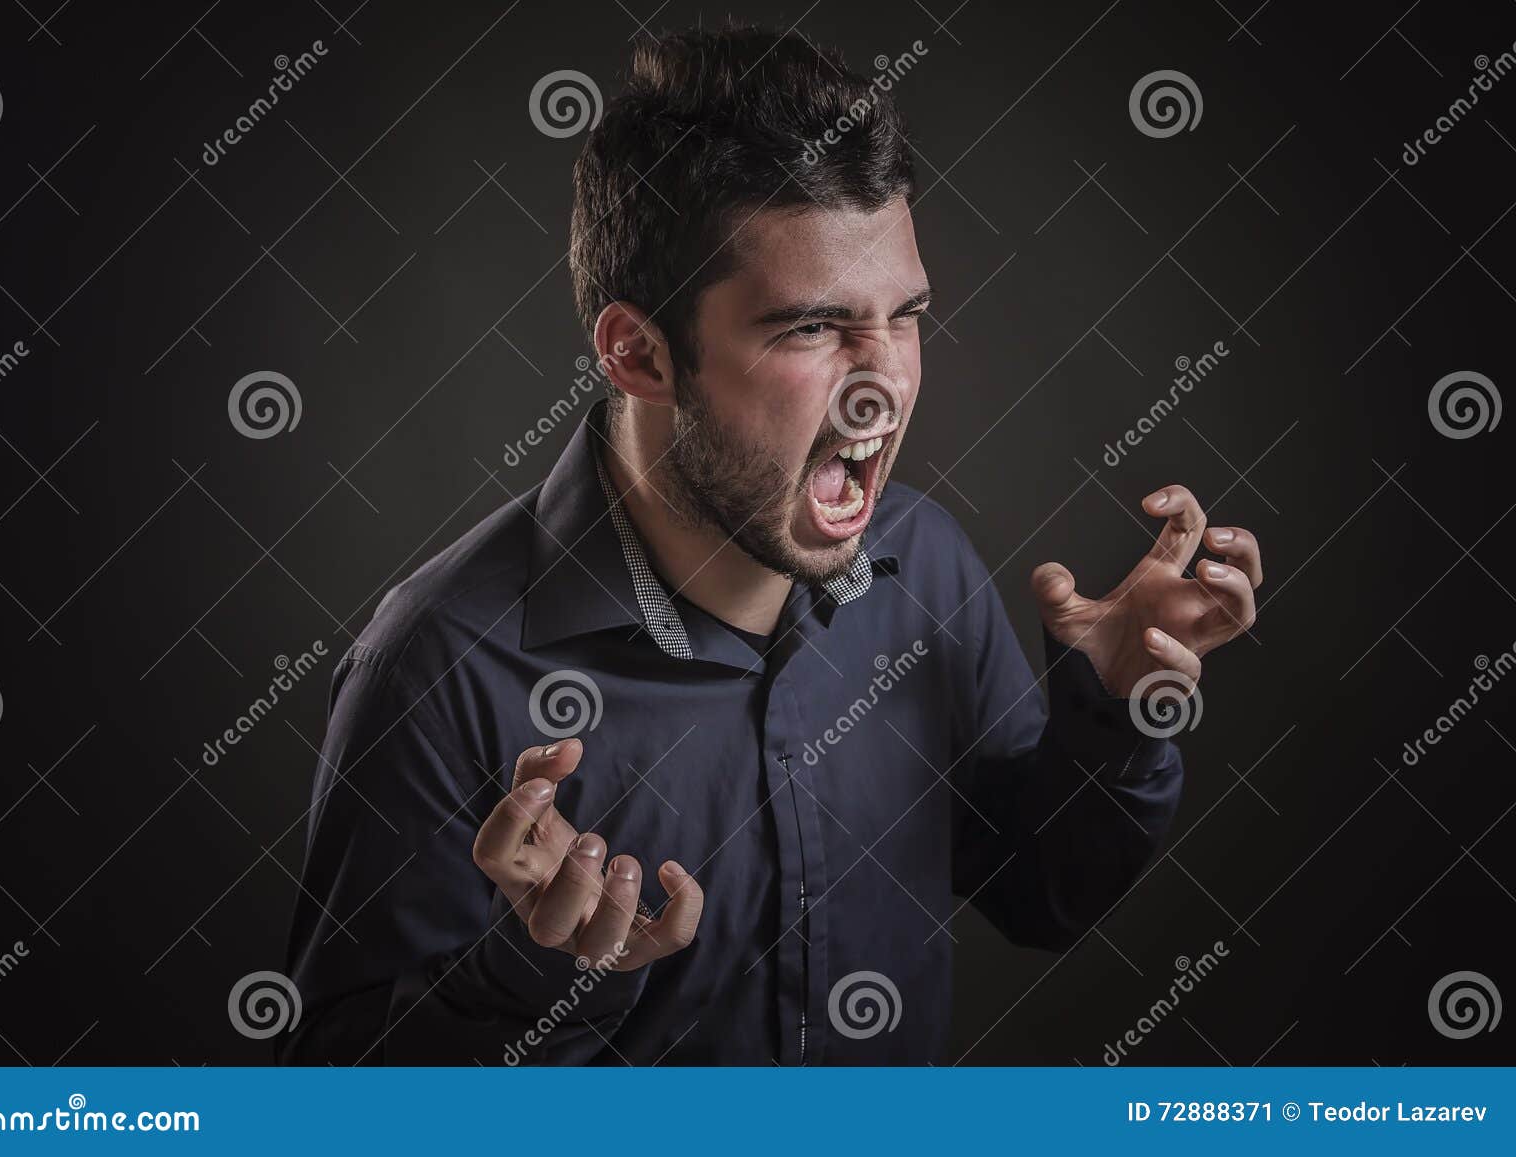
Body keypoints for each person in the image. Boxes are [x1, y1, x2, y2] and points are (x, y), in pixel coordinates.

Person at [279, 24, 1262, 1065]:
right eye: (812, 327)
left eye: (905, 315)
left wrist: (1114, 712)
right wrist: (524, 981)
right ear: (639, 354)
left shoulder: (923, 563)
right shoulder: (436, 667)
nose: (885, 386)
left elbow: (1043, 894)